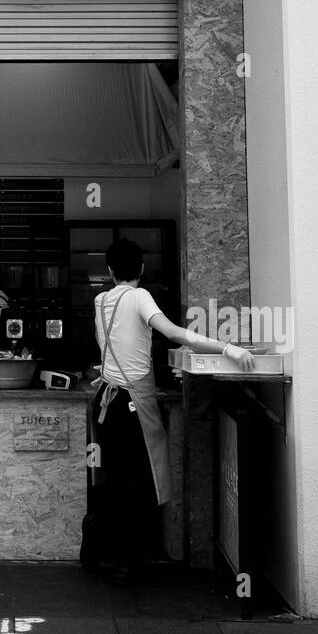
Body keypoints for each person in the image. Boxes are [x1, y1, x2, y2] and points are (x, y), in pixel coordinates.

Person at [82, 237, 255, 586]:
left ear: (111, 270)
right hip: (134, 404)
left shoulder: (100, 300)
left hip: (106, 403)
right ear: (141, 269)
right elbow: (175, 333)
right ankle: (127, 561)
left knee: (110, 479)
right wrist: (229, 349)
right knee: (137, 481)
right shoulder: (139, 296)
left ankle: (102, 552)